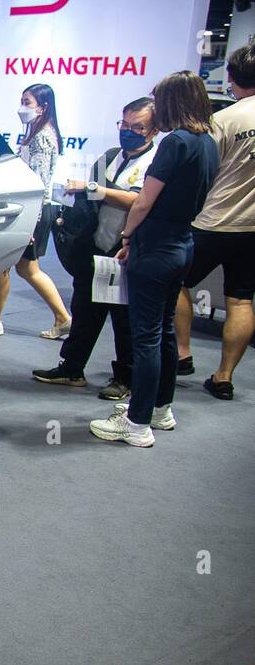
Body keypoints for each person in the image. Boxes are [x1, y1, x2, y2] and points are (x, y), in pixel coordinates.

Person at [90, 71, 217, 447]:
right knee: (163, 332)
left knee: (145, 336)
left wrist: (127, 236)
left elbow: (145, 199)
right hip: (182, 243)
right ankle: (161, 408)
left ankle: (137, 423)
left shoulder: (175, 142)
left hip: (156, 247)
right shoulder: (206, 141)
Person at [33, 97, 159, 399]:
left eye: (137, 127)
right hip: (95, 247)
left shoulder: (154, 164)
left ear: (153, 130)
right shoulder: (109, 156)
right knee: (85, 309)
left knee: (123, 318)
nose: (127, 131)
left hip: (127, 250)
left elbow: (140, 201)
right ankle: (71, 367)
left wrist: (96, 189)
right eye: (124, 124)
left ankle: (125, 377)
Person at [174, 43, 255, 400]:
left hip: (213, 220)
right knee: (240, 301)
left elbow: (207, 170)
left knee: (176, 282)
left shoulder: (226, 119)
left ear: (233, 77)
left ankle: (182, 354)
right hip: (252, 229)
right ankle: (224, 377)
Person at [0, 83, 73, 338]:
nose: (22, 107)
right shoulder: (36, 132)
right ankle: (62, 318)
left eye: (28, 102)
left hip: (31, 211)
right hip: (30, 210)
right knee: (26, 269)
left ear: (43, 107)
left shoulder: (44, 136)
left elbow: (40, 182)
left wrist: (30, 222)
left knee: (4, 265)